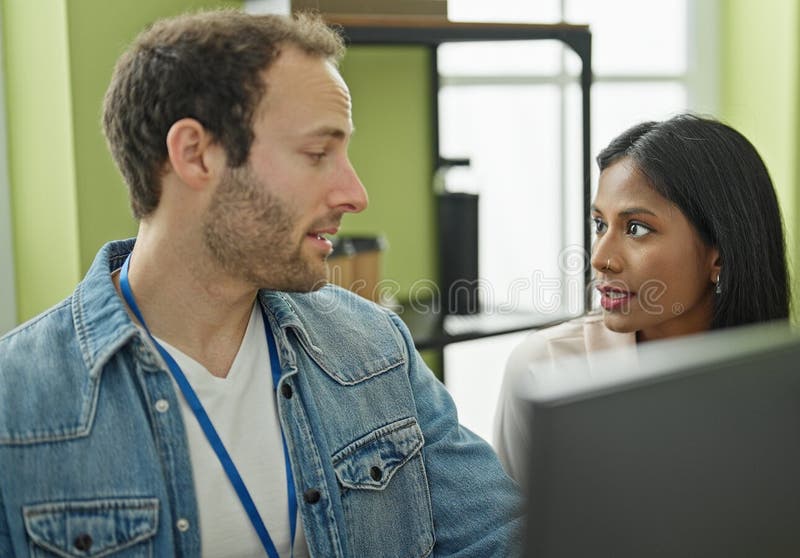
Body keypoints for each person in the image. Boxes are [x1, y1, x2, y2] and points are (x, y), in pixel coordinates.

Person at [0, 10, 521, 557]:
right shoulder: (18, 405)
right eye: (318, 153)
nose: (355, 193)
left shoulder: (375, 350)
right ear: (196, 155)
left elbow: (507, 537)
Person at [493, 115, 791, 480]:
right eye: (600, 224)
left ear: (720, 255)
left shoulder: (785, 382)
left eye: (636, 228)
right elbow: (506, 533)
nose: (601, 258)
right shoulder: (543, 369)